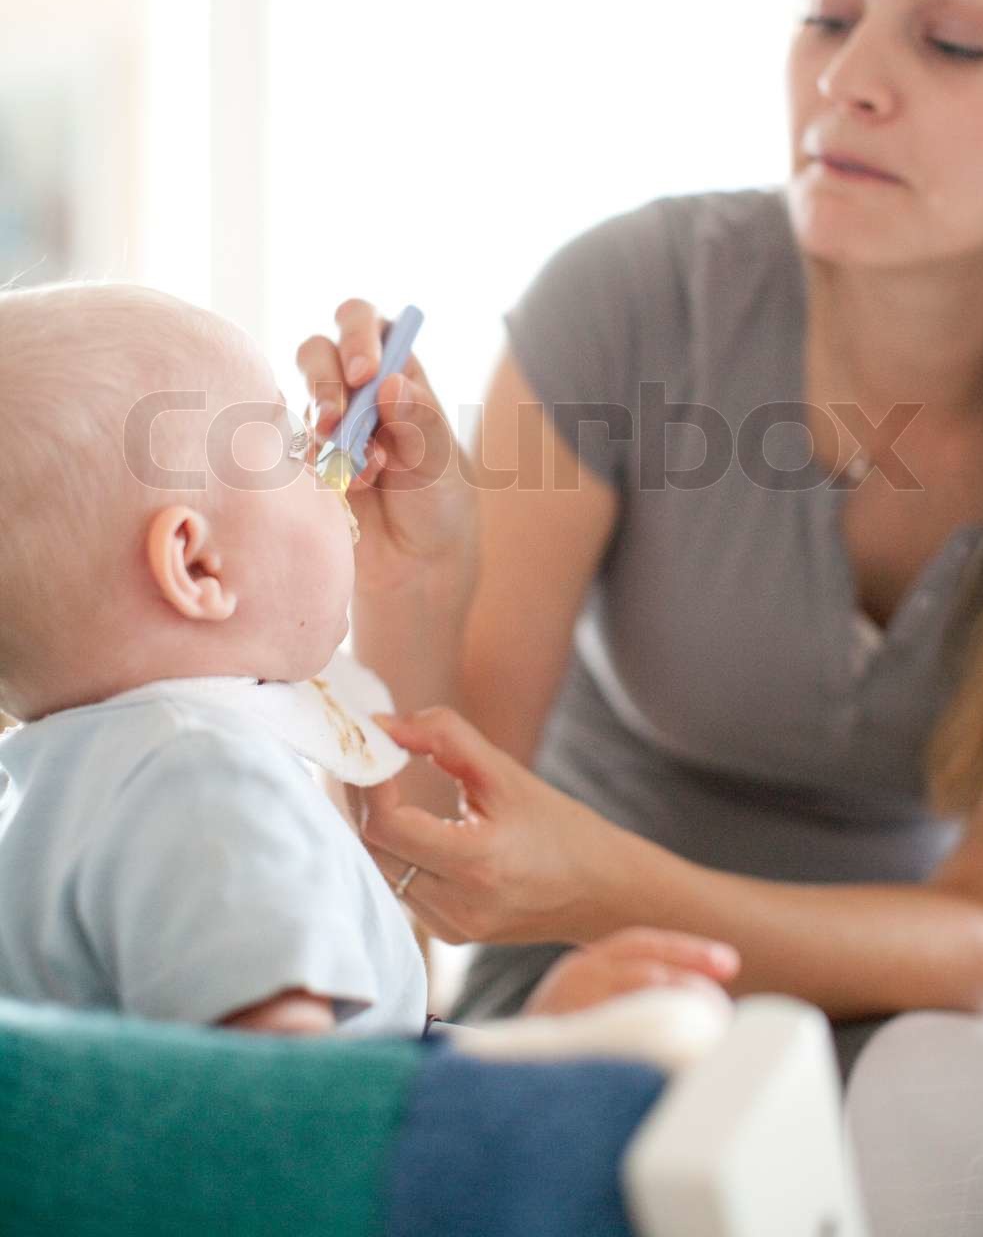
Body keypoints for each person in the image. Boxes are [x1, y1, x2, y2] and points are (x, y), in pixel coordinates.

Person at [297, 0, 983, 1074]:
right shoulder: (631, 298)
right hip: (582, 981)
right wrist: (414, 575)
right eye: (825, 12)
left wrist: (604, 877)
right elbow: (429, 840)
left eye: (951, 41)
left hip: (941, 1023)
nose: (845, 76)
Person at [0, 281, 738, 1035]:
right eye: (291, 448)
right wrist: (526, 1062)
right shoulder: (204, 783)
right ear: (197, 569)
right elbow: (289, 1114)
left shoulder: (48, 798)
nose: (330, 462)